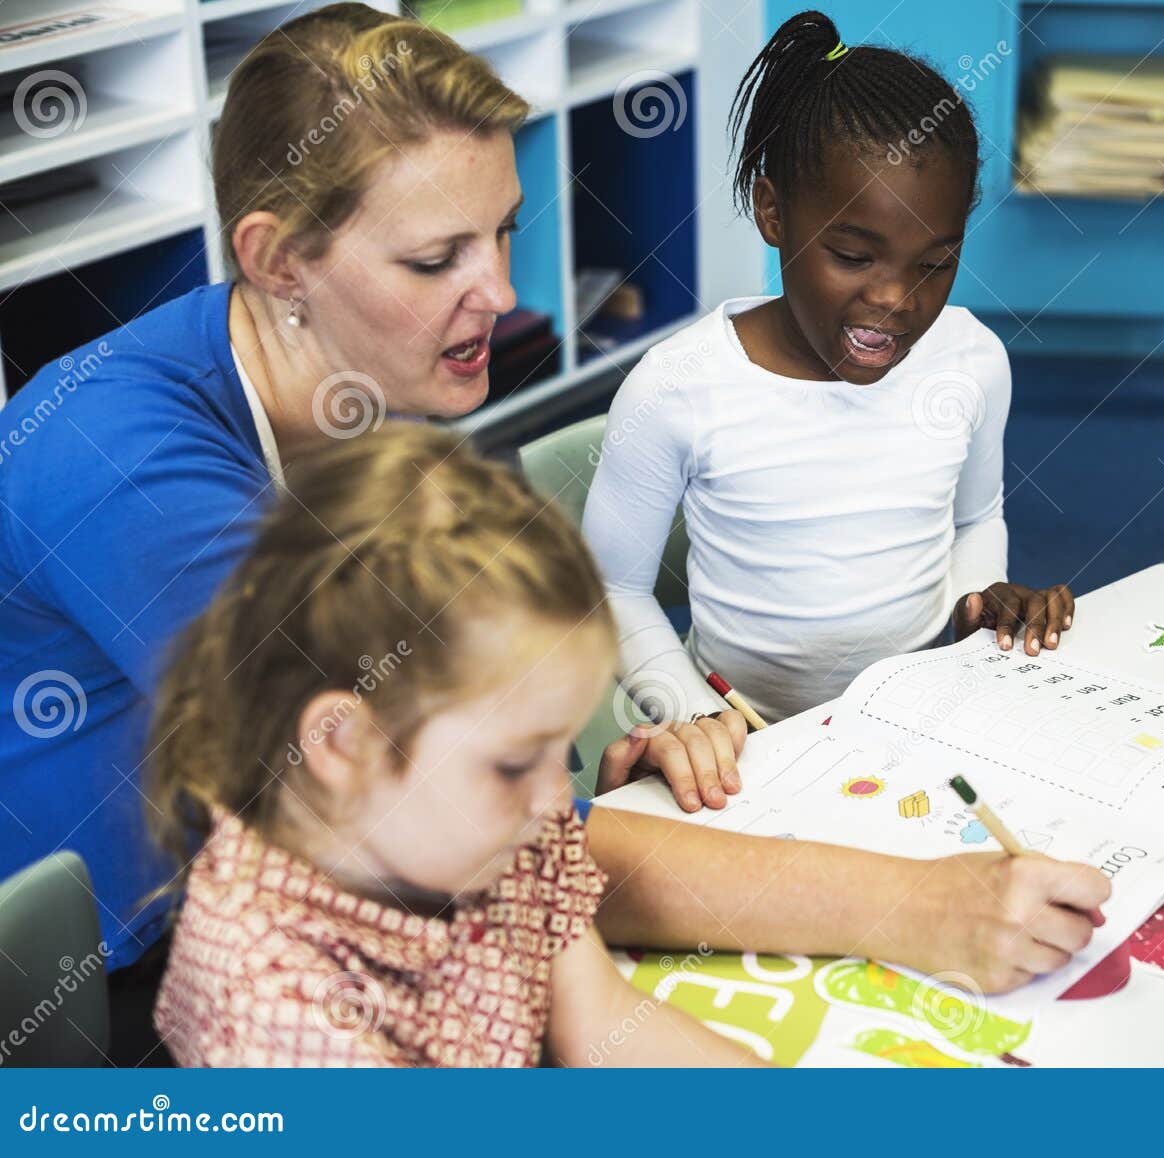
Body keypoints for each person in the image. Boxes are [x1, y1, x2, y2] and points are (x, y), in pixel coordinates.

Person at [0, 3, 1109, 1001]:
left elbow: (418, 726)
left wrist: (587, 757)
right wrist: (913, 908)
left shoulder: (342, 384)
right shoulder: (120, 461)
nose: (503, 296)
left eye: (505, 231)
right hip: (112, 987)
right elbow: (424, 825)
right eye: (438, 257)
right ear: (279, 259)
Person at [583, 11, 1078, 813]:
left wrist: (982, 598)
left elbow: (975, 518)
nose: (894, 299)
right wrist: (696, 717)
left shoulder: (972, 360)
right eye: (853, 256)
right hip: (745, 746)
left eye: (935, 264)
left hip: (917, 727)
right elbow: (612, 589)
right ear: (774, 212)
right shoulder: (678, 387)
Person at [150, 425, 760, 1066]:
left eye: (562, 752)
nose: (557, 800)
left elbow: (604, 1022)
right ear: (346, 743)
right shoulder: (278, 1009)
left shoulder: (478, 836)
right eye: (516, 763)